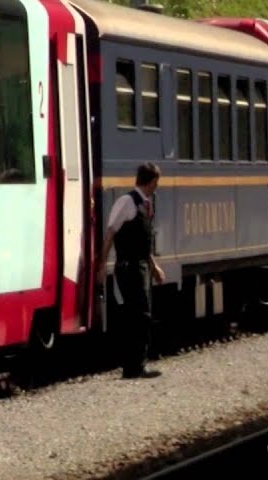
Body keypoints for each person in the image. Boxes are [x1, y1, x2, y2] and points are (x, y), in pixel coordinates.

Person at [98, 162, 167, 379]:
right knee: (138, 315)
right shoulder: (127, 202)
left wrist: (154, 267)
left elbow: (143, 243)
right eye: (157, 182)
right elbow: (110, 232)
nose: (158, 186)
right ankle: (134, 366)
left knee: (141, 315)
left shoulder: (146, 204)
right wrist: (102, 264)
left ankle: (135, 364)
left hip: (141, 265)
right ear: (152, 181)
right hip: (129, 266)